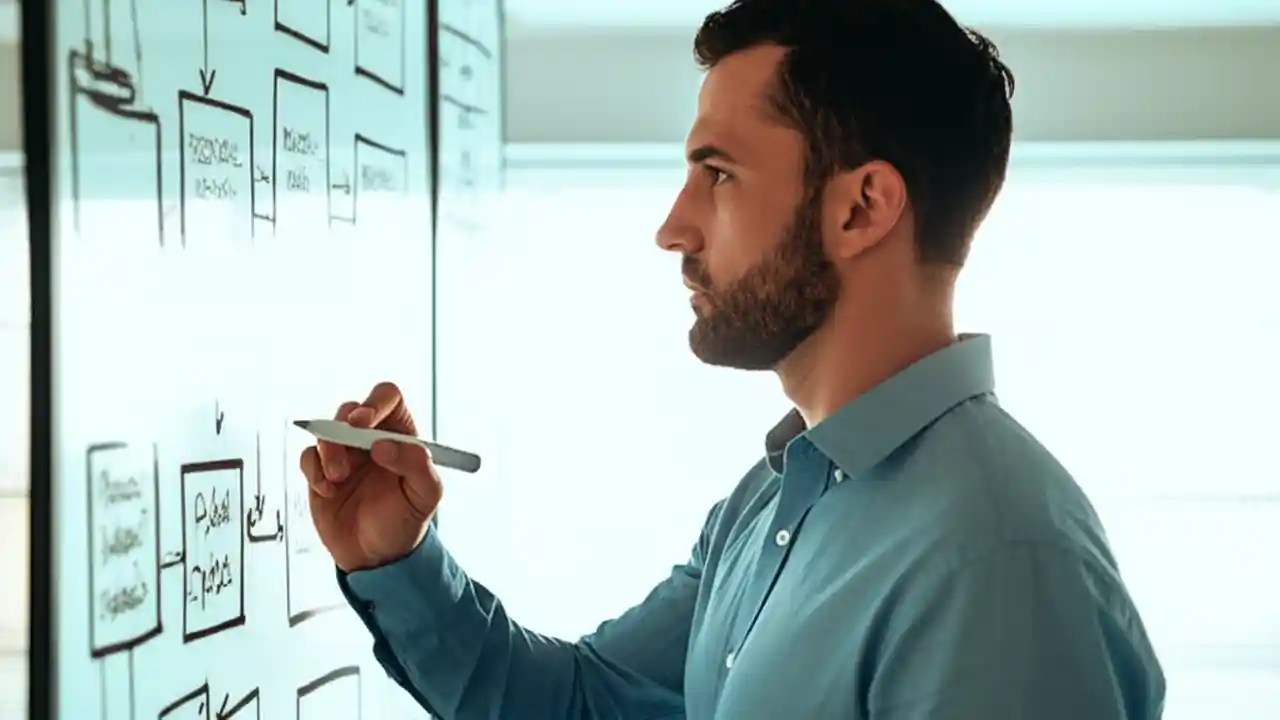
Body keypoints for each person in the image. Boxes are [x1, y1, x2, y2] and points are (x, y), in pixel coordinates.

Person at [299, 0, 1166, 717]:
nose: (672, 228)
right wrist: (397, 559)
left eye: (717, 174)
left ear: (862, 208)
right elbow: (584, 703)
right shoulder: (774, 500)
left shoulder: (998, 562)